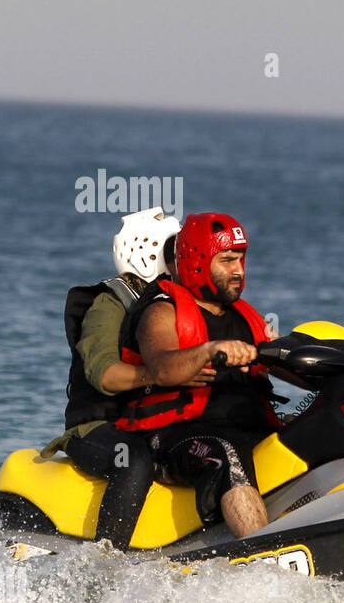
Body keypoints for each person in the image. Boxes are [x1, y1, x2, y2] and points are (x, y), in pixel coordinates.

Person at [116, 212, 286, 538]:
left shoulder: (248, 318)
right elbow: (162, 369)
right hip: (172, 437)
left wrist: (342, 350)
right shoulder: (162, 311)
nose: (238, 270)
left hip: (247, 427)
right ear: (197, 261)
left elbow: (288, 360)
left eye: (241, 259)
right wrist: (208, 350)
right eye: (227, 260)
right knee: (225, 449)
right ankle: (264, 556)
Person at [42, 208, 182, 546]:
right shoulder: (110, 304)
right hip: (96, 428)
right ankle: (107, 560)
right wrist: (160, 373)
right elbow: (103, 374)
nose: (184, 261)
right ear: (149, 254)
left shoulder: (177, 303)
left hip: (147, 422)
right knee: (134, 460)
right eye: (174, 252)